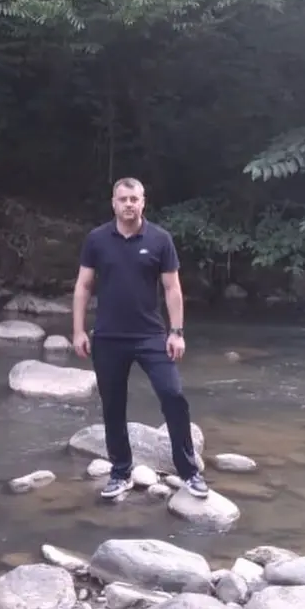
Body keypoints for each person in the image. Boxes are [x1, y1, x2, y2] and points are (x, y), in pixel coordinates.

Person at [72, 177, 209, 500]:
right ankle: (120, 473)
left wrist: (177, 332)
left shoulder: (160, 239)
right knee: (113, 406)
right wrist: (78, 330)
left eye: (134, 199)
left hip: (151, 335)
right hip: (108, 337)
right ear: (114, 203)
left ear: (143, 202)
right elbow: (83, 286)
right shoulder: (97, 239)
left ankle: (189, 472)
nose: (129, 204)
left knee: (173, 396)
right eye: (123, 199)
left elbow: (172, 288)